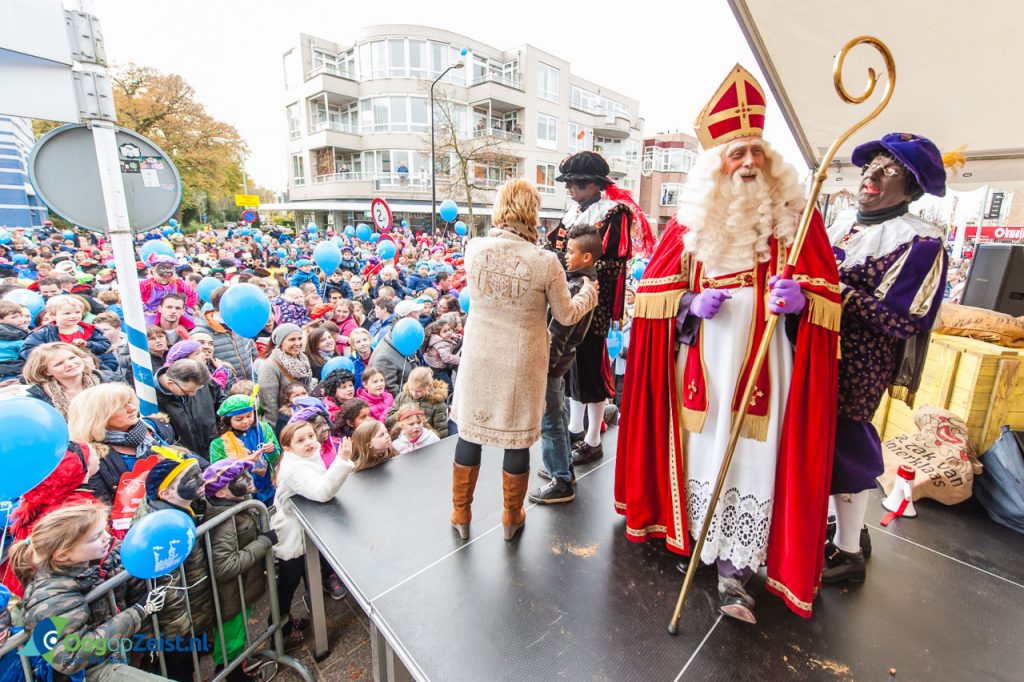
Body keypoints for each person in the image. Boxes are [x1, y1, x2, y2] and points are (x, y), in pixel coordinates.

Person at [613, 65, 841, 623]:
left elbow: (826, 295)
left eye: (756, 151)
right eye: (736, 153)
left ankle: (735, 570)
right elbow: (653, 296)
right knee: (703, 453)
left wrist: (803, 302)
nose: (747, 162)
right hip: (703, 366)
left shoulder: (795, 219)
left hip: (768, 367)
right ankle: (697, 539)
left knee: (751, 461)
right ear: (717, 162)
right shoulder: (689, 224)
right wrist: (690, 303)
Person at [823, 133, 950, 583]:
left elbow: (905, 319)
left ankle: (848, 554)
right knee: (822, 443)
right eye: (870, 165)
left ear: (911, 187)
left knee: (847, 446)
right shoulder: (840, 226)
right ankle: (845, 528)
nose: (872, 175)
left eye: (889, 170)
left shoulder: (921, 241)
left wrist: (835, 292)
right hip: (818, 351)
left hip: (862, 359)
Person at [450, 179, 598, 542]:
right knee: (516, 441)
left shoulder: (474, 249)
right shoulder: (545, 262)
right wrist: (589, 296)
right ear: (531, 213)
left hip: (479, 357)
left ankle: (460, 513)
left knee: (470, 435)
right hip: (520, 362)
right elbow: (566, 314)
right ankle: (511, 517)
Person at [547, 151, 654, 466]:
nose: (570, 189)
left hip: (595, 304)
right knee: (570, 368)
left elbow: (612, 263)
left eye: (575, 183)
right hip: (568, 300)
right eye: (568, 184)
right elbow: (554, 248)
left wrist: (572, 269)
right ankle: (574, 429)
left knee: (591, 371)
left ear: (593, 184)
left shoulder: (614, 214)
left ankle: (592, 439)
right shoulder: (572, 214)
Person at [13, 504, 169, 681]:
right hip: (89, 671)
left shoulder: (90, 562)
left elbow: (122, 552)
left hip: (115, 655)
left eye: (105, 530)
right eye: (96, 537)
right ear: (63, 555)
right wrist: (138, 612)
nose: (108, 537)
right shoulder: (49, 595)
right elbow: (71, 656)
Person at [529, 224, 602, 505]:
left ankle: (560, 480)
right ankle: (563, 469)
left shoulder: (576, 287)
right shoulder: (585, 281)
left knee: (550, 422)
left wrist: (543, 367)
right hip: (560, 363)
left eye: (571, 252)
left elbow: (558, 333)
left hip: (552, 364)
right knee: (557, 417)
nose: (565, 256)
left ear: (587, 257)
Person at [271, 422, 353, 643]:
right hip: (292, 536)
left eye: (310, 436)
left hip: (305, 529)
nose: (308, 442)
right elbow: (322, 491)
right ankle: (279, 632)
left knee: (302, 574)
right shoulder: (294, 469)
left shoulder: (305, 457)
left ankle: (286, 621)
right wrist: (342, 460)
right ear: (288, 448)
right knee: (288, 583)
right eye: (300, 440)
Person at [202, 459, 276, 680]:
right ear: (222, 492)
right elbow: (225, 566)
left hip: (242, 588)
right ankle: (234, 674)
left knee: (238, 636)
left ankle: (239, 663)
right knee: (231, 641)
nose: (248, 479)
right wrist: (263, 542)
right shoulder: (224, 521)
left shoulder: (237, 505)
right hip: (232, 595)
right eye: (240, 478)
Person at [0, 441, 99, 597]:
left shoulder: (36, 503)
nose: (98, 456)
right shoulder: (76, 511)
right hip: (60, 592)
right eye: (92, 454)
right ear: (82, 470)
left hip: (28, 588)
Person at [209, 394, 281, 507]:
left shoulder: (264, 429)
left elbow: (276, 457)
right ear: (227, 420)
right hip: (242, 495)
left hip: (269, 488)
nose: (246, 421)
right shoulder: (219, 444)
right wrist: (245, 462)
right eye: (239, 419)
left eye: (249, 415)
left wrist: (272, 451)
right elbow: (220, 474)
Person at [20, 294, 118, 372]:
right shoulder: (42, 333)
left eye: (77, 312)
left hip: (90, 368)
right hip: (57, 371)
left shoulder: (89, 329)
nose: (74, 316)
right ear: (53, 316)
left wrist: (88, 344)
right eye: (67, 313)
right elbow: (27, 351)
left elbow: (104, 344)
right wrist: (51, 354)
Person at [23, 342, 115, 418]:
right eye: (59, 363)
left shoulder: (111, 380)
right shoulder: (38, 399)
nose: (70, 364)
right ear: (46, 371)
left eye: (72, 357)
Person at [155, 358, 219, 454]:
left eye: (198, 389)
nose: (194, 394)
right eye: (188, 391)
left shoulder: (198, 380)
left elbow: (218, 402)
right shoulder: (151, 400)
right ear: (170, 383)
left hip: (213, 449)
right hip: (184, 455)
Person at [192, 287, 258, 380]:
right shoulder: (201, 332)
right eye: (237, 302)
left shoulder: (240, 323)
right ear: (223, 304)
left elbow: (251, 349)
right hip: (224, 385)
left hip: (247, 384)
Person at [257, 323, 312, 425]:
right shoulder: (270, 366)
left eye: (300, 338)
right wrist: (277, 429)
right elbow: (270, 406)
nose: (298, 343)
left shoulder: (303, 359)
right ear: (281, 342)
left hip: (305, 417)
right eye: (292, 339)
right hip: (286, 422)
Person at [385, 366, 449, 438]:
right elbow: (388, 421)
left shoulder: (437, 404)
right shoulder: (402, 396)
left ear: (429, 386)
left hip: (426, 439)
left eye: (418, 391)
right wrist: (401, 414)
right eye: (411, 389)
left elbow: (441, 431)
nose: (414, 393)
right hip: (403, 438)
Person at [140, 254, 198, 324]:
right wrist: (145, 310)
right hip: (152, 313)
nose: (166, 271)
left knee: (192, 323)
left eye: (170, 268)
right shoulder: (146, 283)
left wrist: (185, 308)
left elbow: (192, 294)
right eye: (162, 268)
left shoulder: (178, 282)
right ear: (153, 269)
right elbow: (134, 296)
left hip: (173, 312)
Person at [423, 319, 460, 393]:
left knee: (443, 385)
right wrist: (461, 359)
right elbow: (446, 358)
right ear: (437, 333)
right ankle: (447, 399)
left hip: (436, 366)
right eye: (445, 331)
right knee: (448, 389)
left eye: (449, 330)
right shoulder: (441, 344)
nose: (448, 332)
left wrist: (452, 336)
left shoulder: (436, 338)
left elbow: (446, 335)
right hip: (439, 370)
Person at [0, 300, 30, 384]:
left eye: (20, 316)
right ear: (1, 320)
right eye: (14, 317)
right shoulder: (17, 334)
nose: (20, 320)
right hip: (12, 371)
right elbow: (27, 354)